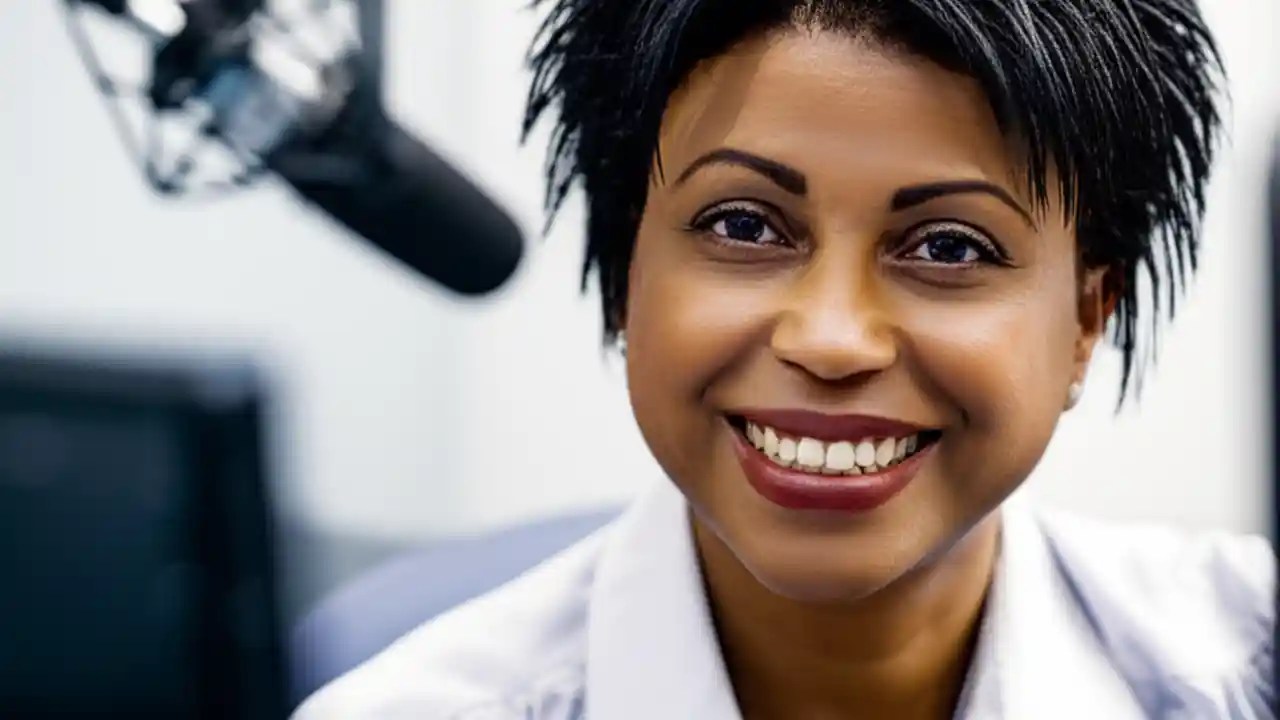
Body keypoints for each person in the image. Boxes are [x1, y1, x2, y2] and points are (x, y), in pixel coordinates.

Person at [294, 1, 1275, 718]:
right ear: (627, 268)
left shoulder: (1244, 669)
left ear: (1083, 321)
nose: (829, 337)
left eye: (946, 247)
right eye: (742, 224)